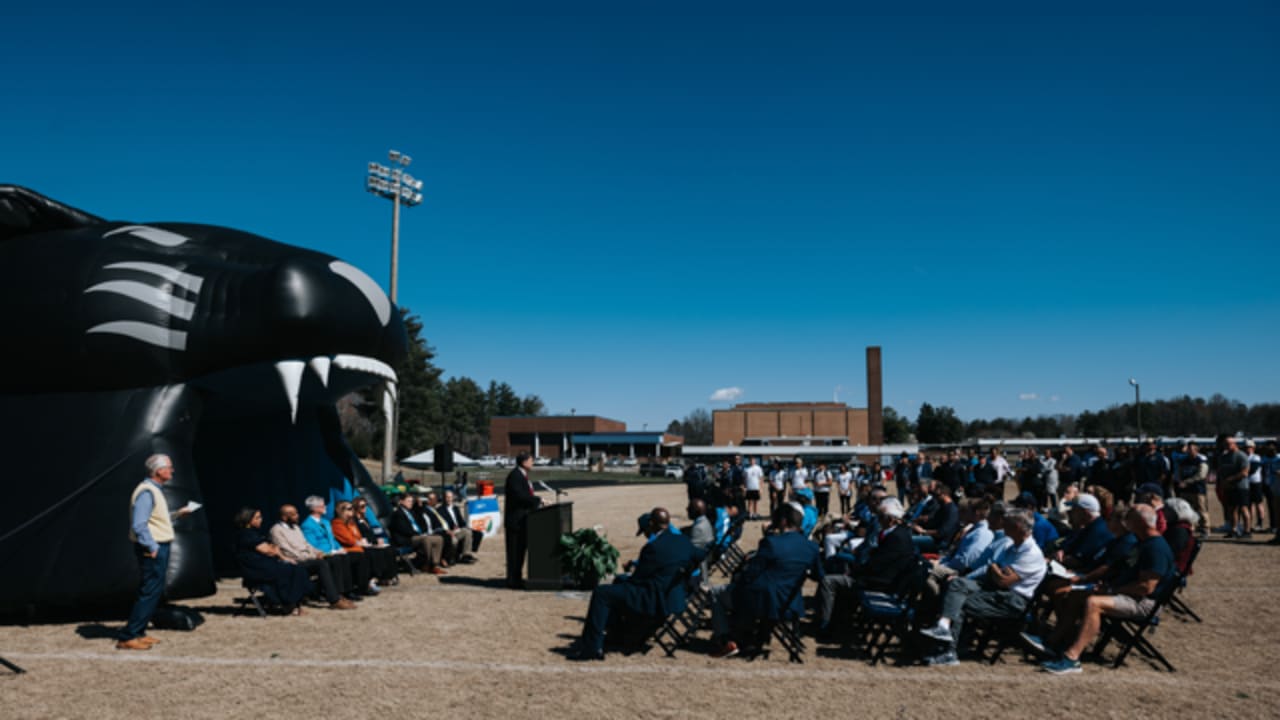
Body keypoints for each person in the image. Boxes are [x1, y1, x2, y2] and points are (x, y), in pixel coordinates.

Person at [1039, 504, 1177, 674]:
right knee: (1076, 595)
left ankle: (1072, 658)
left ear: (1140, 521)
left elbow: (1146, 587)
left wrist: (1112, 590)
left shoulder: (1156, 548)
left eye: (1129, 516)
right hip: (1127, 593)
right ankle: (1054, 642)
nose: (1125, 520)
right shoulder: (1142, 542)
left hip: (1144, 603)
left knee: (1094, 603)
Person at [918, 508, 1046, 666]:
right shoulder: (1013, 547)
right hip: (997, 592)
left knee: (959, 603)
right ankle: (943, 626)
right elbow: (998, 573)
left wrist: (994, 568)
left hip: (1012, 601)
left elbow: (1003, 580)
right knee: (957, 584)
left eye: (1006, 524)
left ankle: (949, 652)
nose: (1003, 526)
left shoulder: (1030, 553)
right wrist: (997, 570)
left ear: (1017, 527)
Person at [570, 508, 694, 660]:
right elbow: (698, 556)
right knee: (617, 586)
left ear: (651, 524)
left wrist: (628, 577)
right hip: (674, 594)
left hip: (653, 598)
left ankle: (592, 647)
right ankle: (618, 634)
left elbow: (638, 579)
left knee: (602, 593)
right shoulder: (683, 540)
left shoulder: (653, 547)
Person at [709, 503, 824, 658]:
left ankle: (726, 640)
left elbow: (750, 574)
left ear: (783, 521)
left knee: (716, 592)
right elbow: (819, 576)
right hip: (790, 602)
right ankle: (746, 633)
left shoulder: (771, 543)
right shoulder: (811, 547)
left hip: (763, 603)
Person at [118, 454, 193, 650]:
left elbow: (156, 518)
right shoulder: (146, 492)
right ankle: (129, 635)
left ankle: (138, 632)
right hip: (153, 547)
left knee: (153, 590)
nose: (172, 470)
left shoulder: (153, 490)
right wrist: (151, 546)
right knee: (149, 590)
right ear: (158, 471)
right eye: (169, 467)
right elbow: (139, 524)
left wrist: (178, 514)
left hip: (157, 545)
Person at [233, 507, 321, 614]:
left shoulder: (253, 533)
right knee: (294, 570)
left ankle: (292, 602)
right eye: (257, 518)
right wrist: (274, 549)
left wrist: (275, 551)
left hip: (264, 565)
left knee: (295, 569)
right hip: (255, 569)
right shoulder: (247, 534)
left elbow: (271, 549)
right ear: (248, 520)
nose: (261, 519)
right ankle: (289, 602)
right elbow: (268, 550)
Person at [270, 504, 362, 603]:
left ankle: (341, 592)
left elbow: (307, 544)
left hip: (309, 557)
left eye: (297, 513)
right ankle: (334, 599)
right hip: (296, 561)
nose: (297, 516)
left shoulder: (296, 528)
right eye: (293, 514)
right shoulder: (276, 530)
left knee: (337, 559)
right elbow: (288, 551)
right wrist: (313, 556)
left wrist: (319, 553)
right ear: (284, 517)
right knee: (321, 564)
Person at [331, 500, 398, 586]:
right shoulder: (337, 523)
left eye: (352, 508)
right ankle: (374, 578)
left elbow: (358, 536)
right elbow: (349, 540)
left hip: (359, 545)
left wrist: (362, 541)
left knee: (386, 549)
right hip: (350, 548)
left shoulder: (351, 523)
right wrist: (360, 542)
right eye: (350, 509)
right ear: (342, 511)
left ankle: (387, 576)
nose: (352, 510)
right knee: (371, 553)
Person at [504, 452, 543, 588]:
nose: (533, 463)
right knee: (514, 552)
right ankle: (513, 580)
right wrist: (538, 500)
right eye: (531, 461)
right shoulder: (515, 476)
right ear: (524, 462)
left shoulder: (523, 475)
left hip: (523, 520)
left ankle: (517, 578)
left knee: (520, 552)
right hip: (515, 521)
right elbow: (519, 496)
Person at [386, 493, 447, 574]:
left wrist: (424, 532)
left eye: (411, 501)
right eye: (408, 501)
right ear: (401, 502)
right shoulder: (397, 514)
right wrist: (419, 534)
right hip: (407, 538)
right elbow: (404, 530)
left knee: (439, 538)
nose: (411, 503)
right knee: (426, 540)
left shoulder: (412, 512)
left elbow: (421, 522)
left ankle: (435, 564)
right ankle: (427, 564)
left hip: (417, 536)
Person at [440, 490, 482, 557]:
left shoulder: (455, 508)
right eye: (447, 497)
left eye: (450, 497)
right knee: (467, 532)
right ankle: (466, 554)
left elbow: (461, 521)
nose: (449, 499)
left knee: (478, 533)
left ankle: (469, 552)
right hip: (451, 531)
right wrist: (450, 530)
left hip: (459, 529)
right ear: (444, 498)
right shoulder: (440, 510)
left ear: (453, 498)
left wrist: (465, 527)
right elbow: (442, 524)